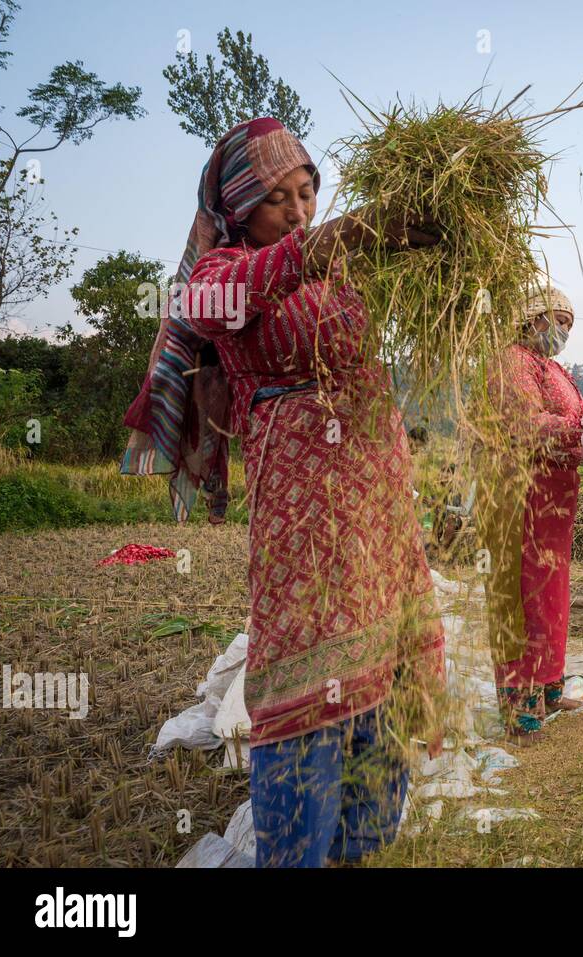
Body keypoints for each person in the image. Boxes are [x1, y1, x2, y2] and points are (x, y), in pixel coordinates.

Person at [122, 117, 446, 866]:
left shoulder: (338, 272)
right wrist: (323, 243)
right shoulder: (220, 275)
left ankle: (358, 848)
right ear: (239, 209)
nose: (299, 211)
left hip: (379, 505)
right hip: (306, 514)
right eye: (277, 198)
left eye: (307, 193)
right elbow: (211, 307)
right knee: (306, 683)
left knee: (380, 680)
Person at [487, 285, 583, 743]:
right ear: (532, 319)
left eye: (568, 324)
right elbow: (528, 425)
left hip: (558, 501)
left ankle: (548, 689)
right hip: (524, 494)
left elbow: (578, 420)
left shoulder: (554, 368)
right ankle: (519, 705)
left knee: (552, 595)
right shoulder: (513, 362)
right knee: (523, 593)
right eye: (556, 320)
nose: (563, 331)